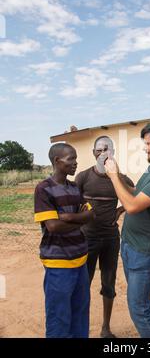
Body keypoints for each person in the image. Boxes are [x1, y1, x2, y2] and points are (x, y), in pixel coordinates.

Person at [104, 120, 150, 338]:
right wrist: (123, 189)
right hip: (131, 245)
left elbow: (133, 205)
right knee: (138, 303)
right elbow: (137, 194)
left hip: (144, 251)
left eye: (147, 144)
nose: (145, 148)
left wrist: (114, 176)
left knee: (138, 306)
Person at [75, 136, 134, 338]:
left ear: (113, 153)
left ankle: (105, 328)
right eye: (99, 150)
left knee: (108, 284)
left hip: (110, 239)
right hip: (87, 238)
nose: (103, 153)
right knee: (84, 283)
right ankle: (80, 328)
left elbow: (135, 196)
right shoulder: (83, 177)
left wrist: (119, 211)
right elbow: (74, 203)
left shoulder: (120, 178)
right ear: (94, 153)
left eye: (107, 149)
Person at [34, 143, 95, 338]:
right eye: (71, 159)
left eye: (76, 158)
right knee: (59, 319)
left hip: (81, 260)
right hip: (58, 263)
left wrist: (68, 218)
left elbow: (90, 215)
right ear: (57, 161)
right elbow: (53, 226)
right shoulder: (43, 189)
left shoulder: (74, 187)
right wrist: (79, 220)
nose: (76, 163)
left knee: (80, 315)